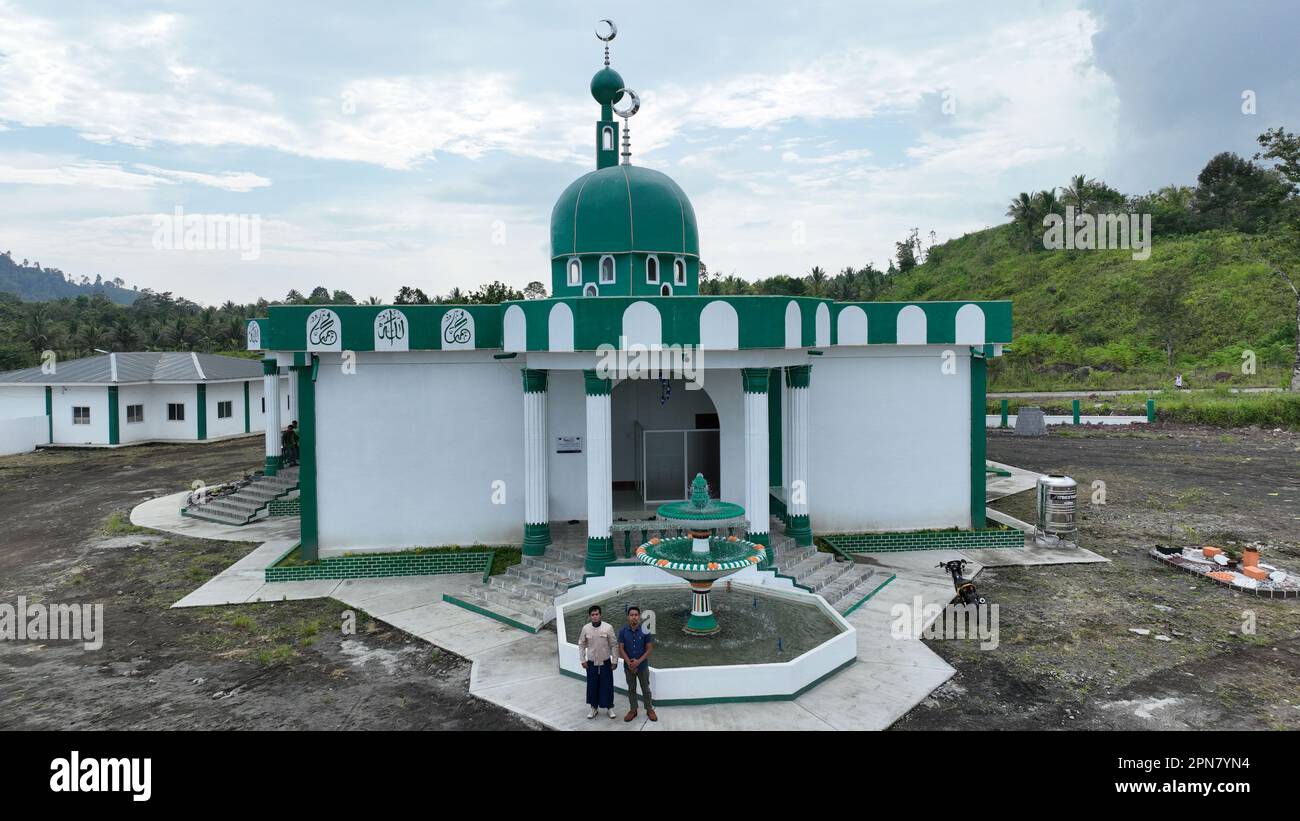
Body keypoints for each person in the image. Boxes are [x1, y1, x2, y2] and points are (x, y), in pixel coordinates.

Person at [577, 605, 618, 719]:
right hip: (591, 663)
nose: (595, 617)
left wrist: (614, 661)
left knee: (607, 685)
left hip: (605, 662)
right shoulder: (586, 628)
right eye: (592, 615)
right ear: (590, 616)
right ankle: (593, 708)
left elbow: (614, 645)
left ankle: (609, 707)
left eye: (597, 614)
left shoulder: (608, 628)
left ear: (600, 615)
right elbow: (581, 644)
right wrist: (582, 659)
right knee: (592, 685)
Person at [618, 606, 656, 722]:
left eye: (636, 615)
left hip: (642, 666)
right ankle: (633, 710)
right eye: (631, 615)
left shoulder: (645, 630)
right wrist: (629, 663)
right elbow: (621, 648)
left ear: (639, 616)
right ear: (628, 617)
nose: (634, 617)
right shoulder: (623, 631)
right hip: (628, 666)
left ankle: (649, 709)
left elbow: (649, 649)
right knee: (631, 689)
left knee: (646, 689)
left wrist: (638, 662)